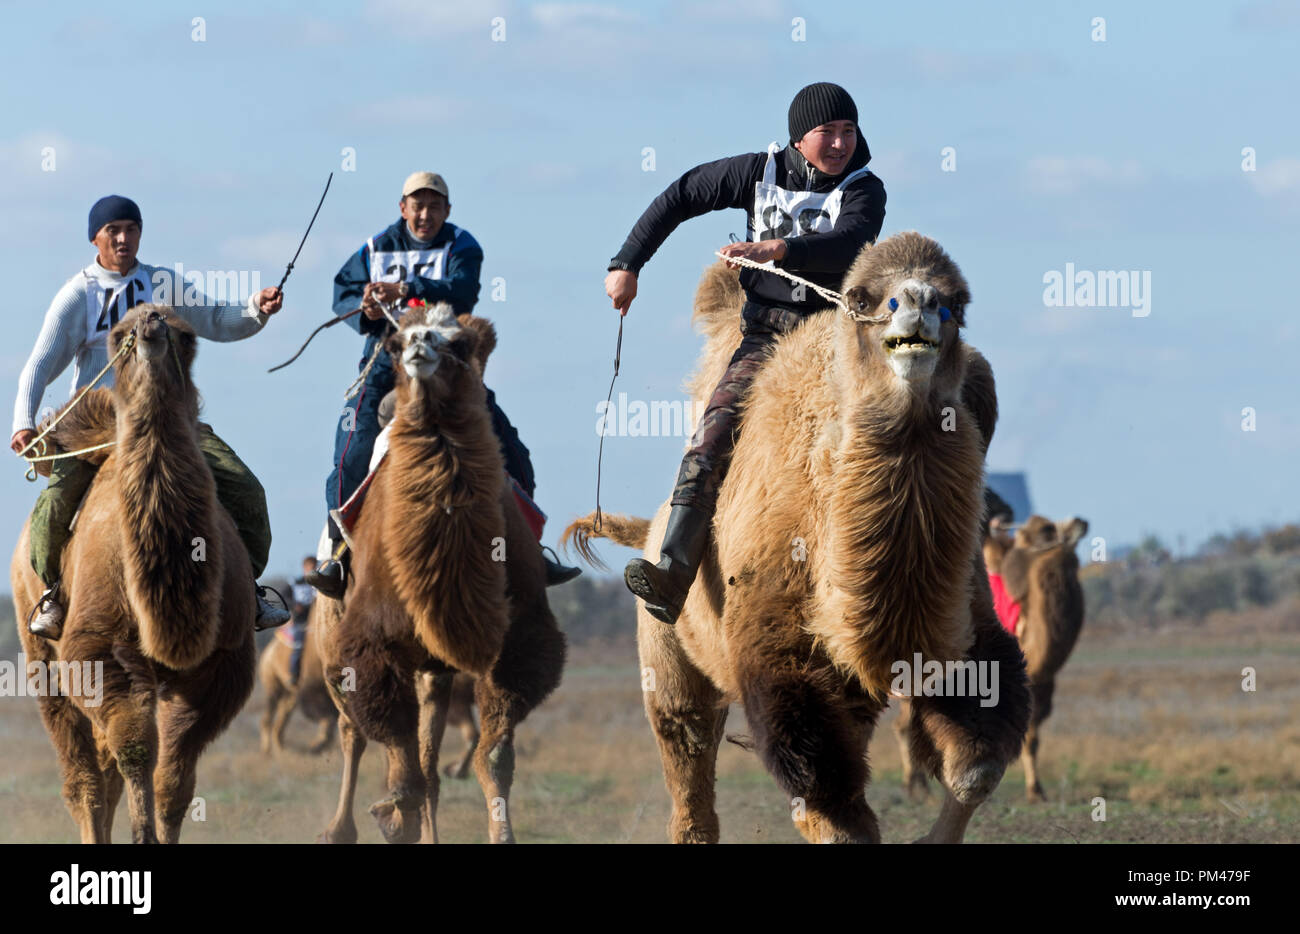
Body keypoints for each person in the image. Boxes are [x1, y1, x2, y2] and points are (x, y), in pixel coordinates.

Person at [605, 82, 887, 624]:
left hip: (835, 339)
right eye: (826, 132)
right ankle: (672, 571)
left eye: (848, 131)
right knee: (713, 433)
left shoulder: (865, 188)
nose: (839, 143)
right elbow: (682, 195)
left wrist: (778, 248)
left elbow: (851, 243)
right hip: (766, 337)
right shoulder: (756, 172)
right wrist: (627, 263)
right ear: (798, 139)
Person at [11, 195, 291, 638]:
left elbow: (217, 319)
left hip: (167, 419)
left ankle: (250, 589)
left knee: (245, 488)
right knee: (59, 496)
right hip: (95, 423)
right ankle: (51, 593)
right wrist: (23, 422)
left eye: (131, 229)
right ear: (95, 238)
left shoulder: (163, 284)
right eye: (114, 230)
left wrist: (256, 307)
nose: (124, 239)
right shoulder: (77, 294)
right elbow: (39, 365)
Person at [305, 171, 579, 597]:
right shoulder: (376, 247)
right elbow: (342, 291)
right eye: (417, 205)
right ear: (403, 208)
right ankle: (337, 552)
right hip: (386, 359)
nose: (425, 214)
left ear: (447, 210)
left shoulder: (462, 244)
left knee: (508, 445)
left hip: (447, 362)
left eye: (434, 206)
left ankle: (529, 547)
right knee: (352, 445)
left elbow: (462, 292)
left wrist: (406, 288)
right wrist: (365, 309)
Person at [288, 555, 317, 687]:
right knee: (298, 647)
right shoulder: (296, 583)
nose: (311, 570)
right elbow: (285, 595)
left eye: (314, 567)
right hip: (301, 622)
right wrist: (294, 605)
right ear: (304, 568)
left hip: (316, 621)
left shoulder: (320, 583)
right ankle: (294, 675)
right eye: (309, 568)